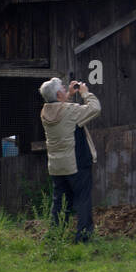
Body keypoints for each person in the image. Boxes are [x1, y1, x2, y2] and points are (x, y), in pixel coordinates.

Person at [38, 77, 101, 242]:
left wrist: (70, 95)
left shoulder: (45, 112)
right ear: (59, 94)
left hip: (57, 166)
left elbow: (61, 110)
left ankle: (54, 236)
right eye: (64, 89)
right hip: (76, 163)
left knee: (59, 201)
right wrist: (85, 93)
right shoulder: (70, 111)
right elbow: (95, 108)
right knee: (83, 199)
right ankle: (83, 237)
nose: (67, 90)